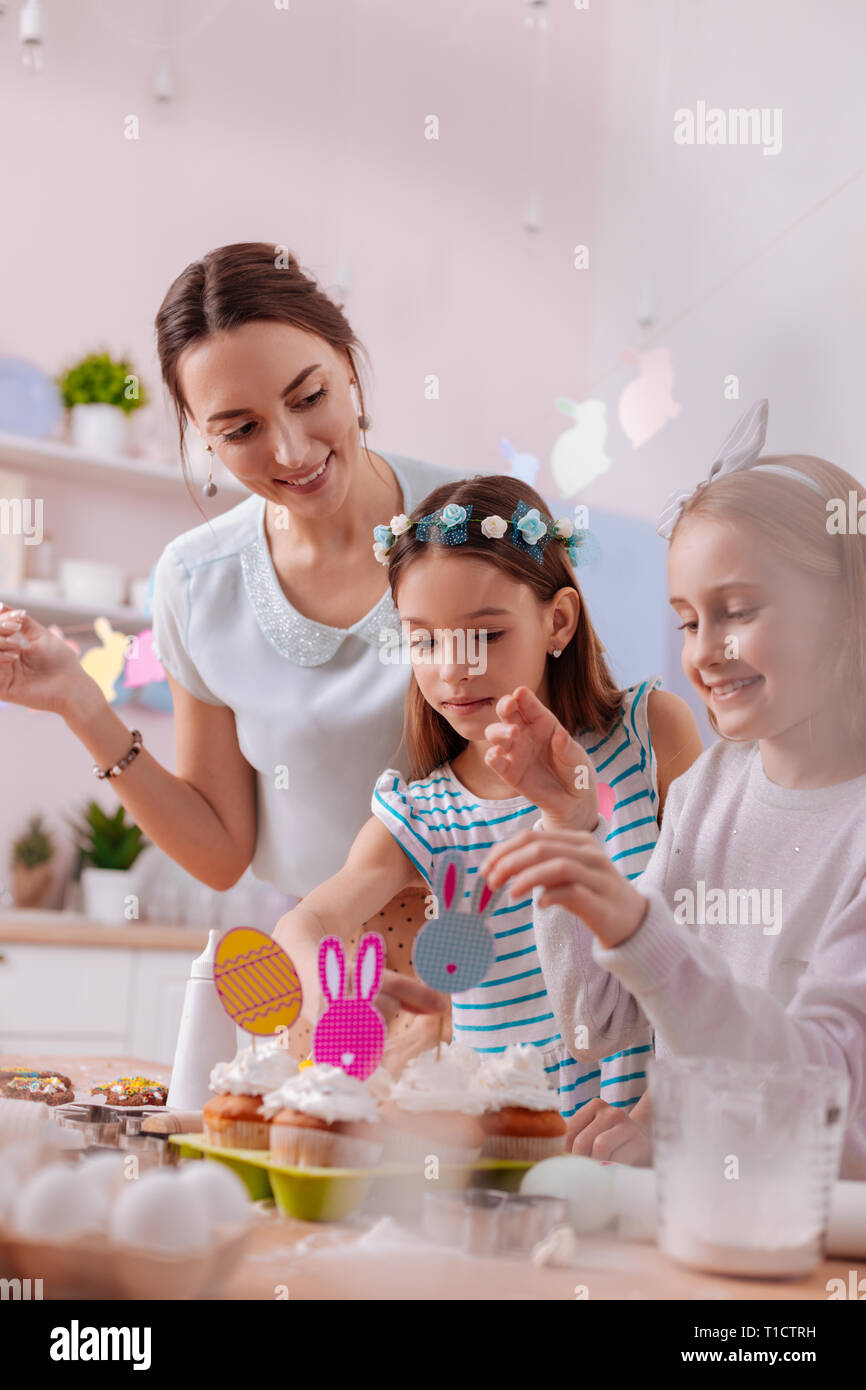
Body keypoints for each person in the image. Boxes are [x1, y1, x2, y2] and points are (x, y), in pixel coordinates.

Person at [0, 241, 454, 1063]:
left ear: (348, 366)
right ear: (204, 441)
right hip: (323, 982)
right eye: (240, 429)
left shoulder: (472, 524)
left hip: (488, 965)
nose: (289, 450)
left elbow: (550, 760)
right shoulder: (198, 582)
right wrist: (80, 703)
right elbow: (219, 851)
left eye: (308, 395)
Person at [481, 400, 866, 1177]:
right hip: (712, 1212)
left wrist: (633, 923)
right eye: (688, 621)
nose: (706, 653)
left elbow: (824, 1093)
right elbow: (605, 1023)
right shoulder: (708, 790)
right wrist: (568, 826)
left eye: (738, 611)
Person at [273, 473, 702, 1112]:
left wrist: (662, 1111)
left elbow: (716, 938)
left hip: (649, 1137)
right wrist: (331, 992)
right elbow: (302, 922)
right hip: (504, 1155)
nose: (451, 668)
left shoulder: (649, 734)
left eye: (486, 634)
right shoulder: (425, 816)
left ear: (557, 621)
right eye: (424, 638)